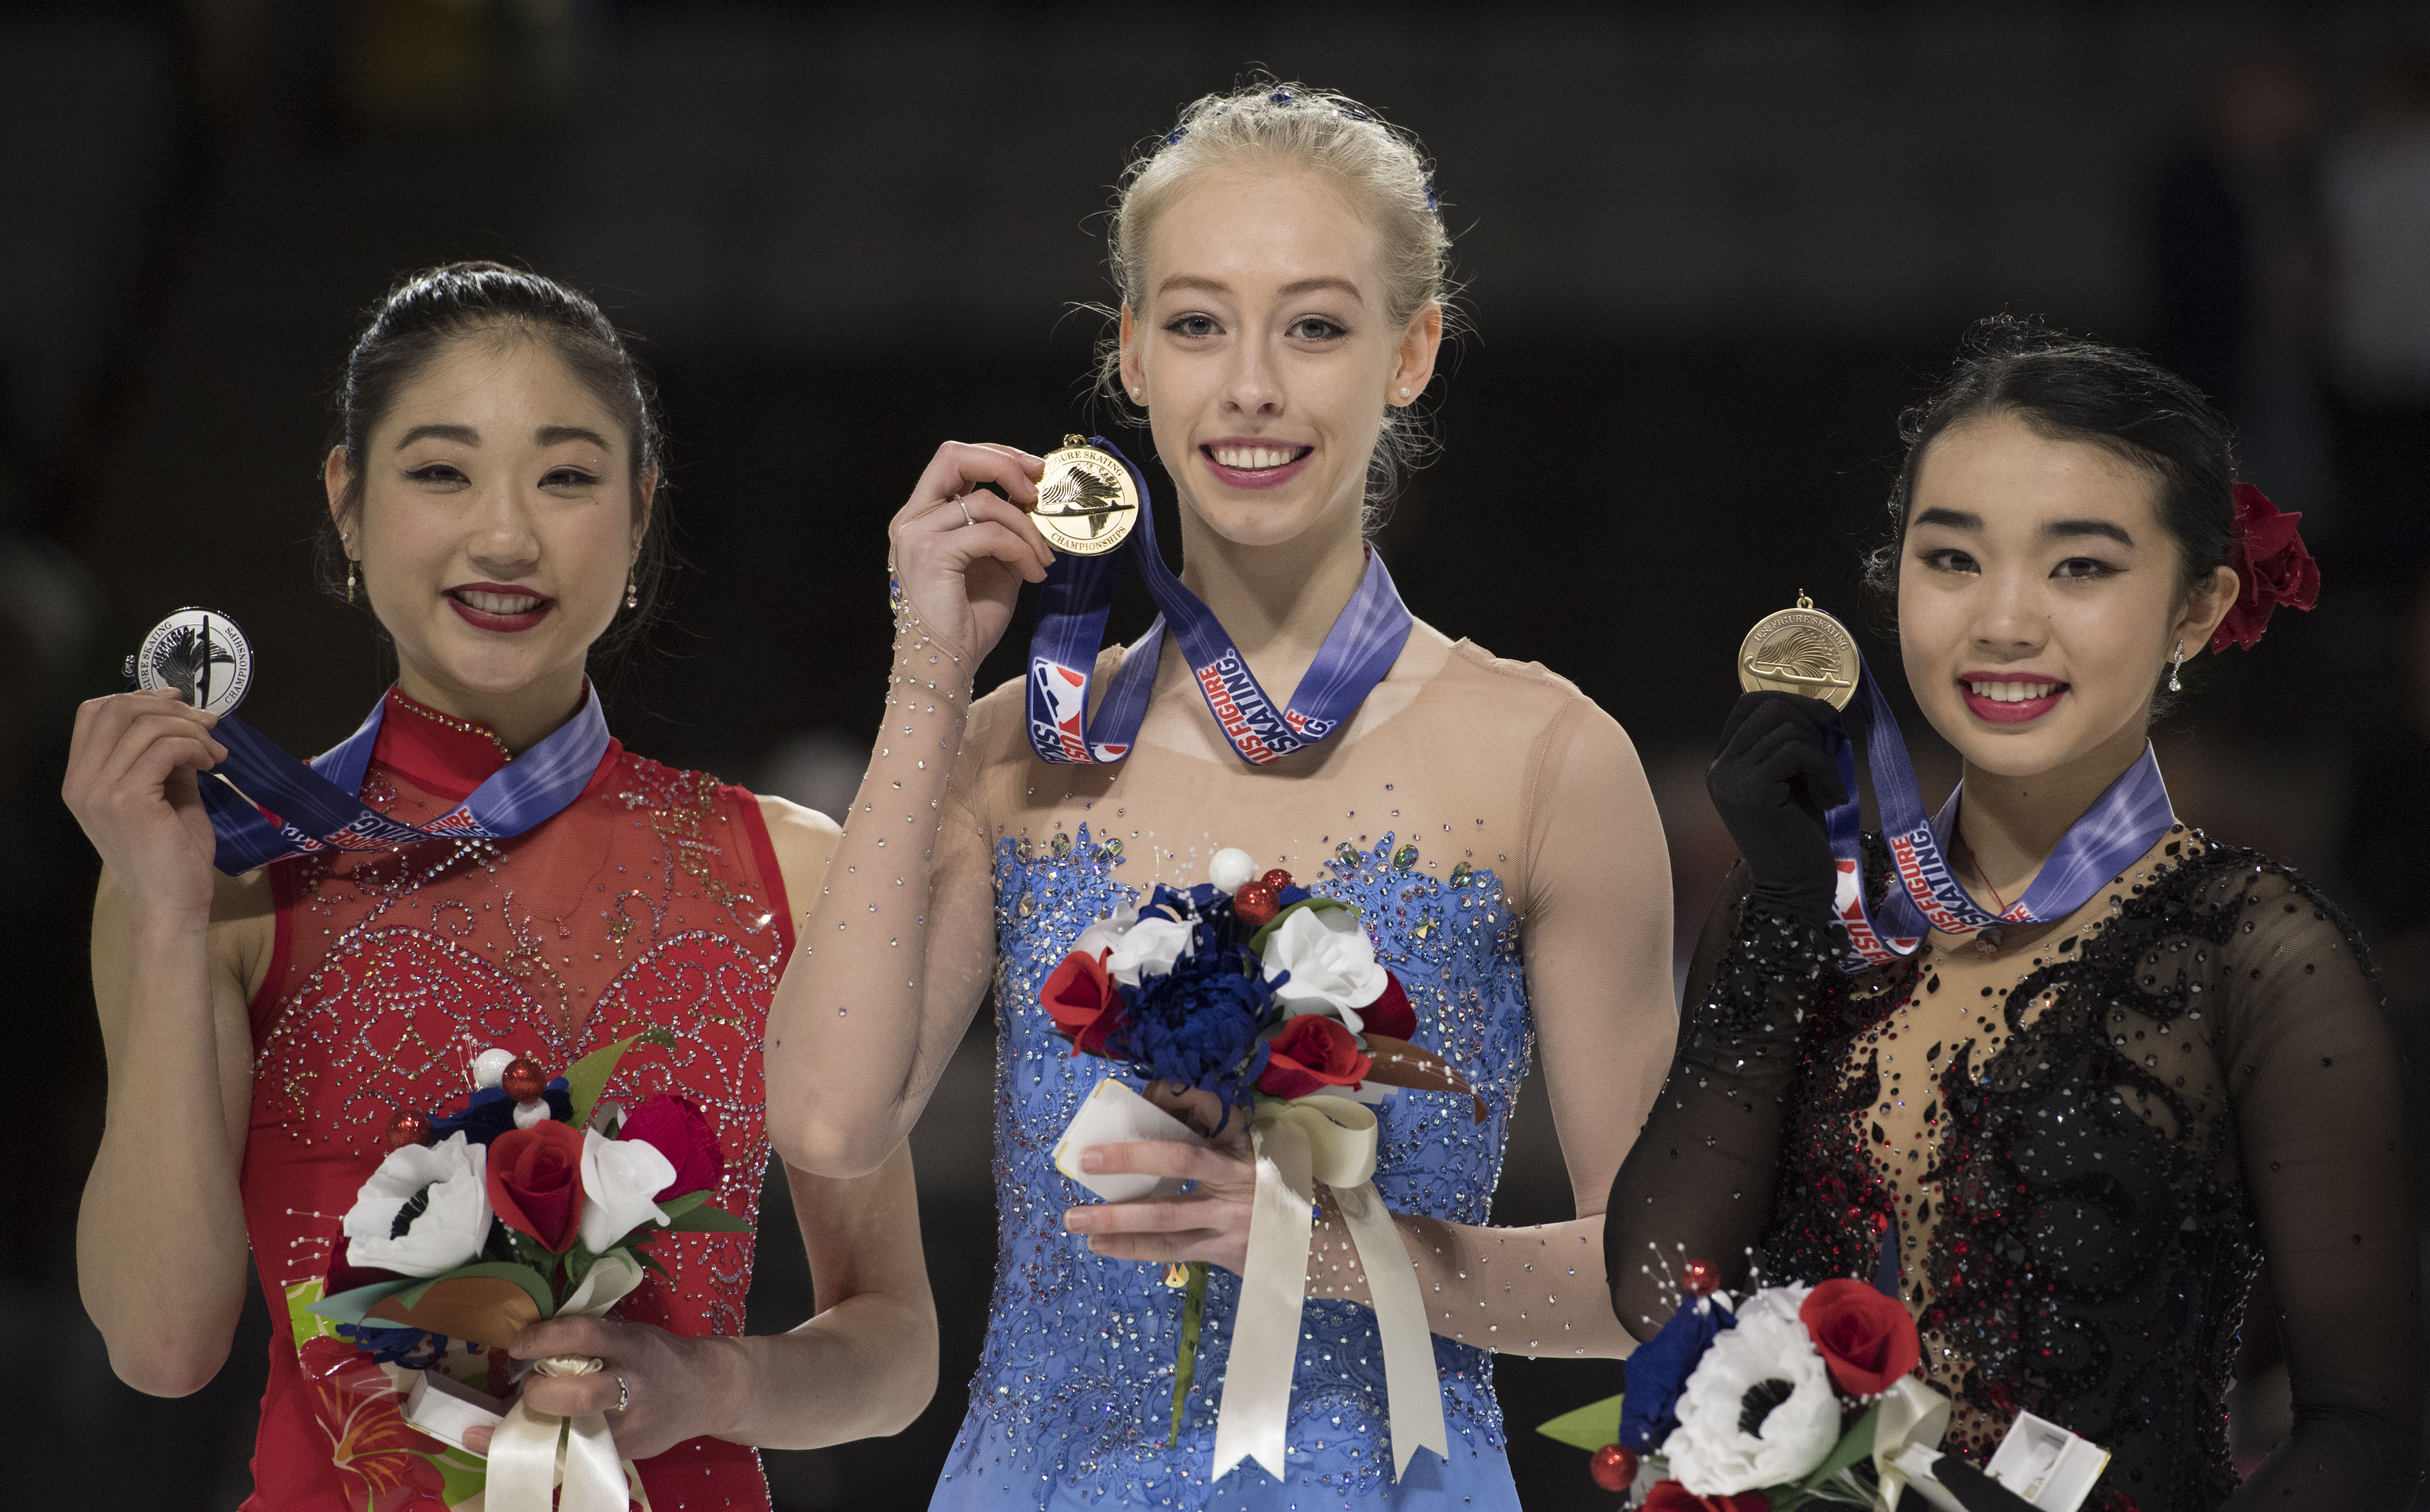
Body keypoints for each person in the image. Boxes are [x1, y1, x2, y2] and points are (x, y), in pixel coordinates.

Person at [763, 84, 1678, 1510]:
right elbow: (827, 1125)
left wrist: (1337, 1250)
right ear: (1130, 355)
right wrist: (928, 677)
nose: (1251, 384)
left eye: (1314, 325)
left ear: (1411, 351)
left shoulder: (1550, 758)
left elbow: (1656, 1277)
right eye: (1196, 323)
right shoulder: (1013, 749)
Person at [65, 263, 936, 1510]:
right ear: (349, 502)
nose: (507, 534)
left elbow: (895, 1344)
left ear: (641, 515)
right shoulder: (223, 882)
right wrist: (160, 911)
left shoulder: (791, 866)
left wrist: (702, 1387)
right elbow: (162, 1345)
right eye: (441, 470)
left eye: (567, 475)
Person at [1604, 317, 2420, 1509]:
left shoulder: (2259, 956)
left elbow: (2369, 1426)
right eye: (1954, 559)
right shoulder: (1809, 908)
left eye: (2079, 566)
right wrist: (1782, 906)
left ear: (2196, 612)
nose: (2002, 621)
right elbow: (1658, 1291)